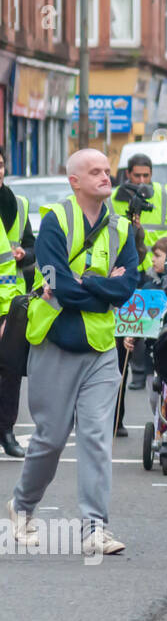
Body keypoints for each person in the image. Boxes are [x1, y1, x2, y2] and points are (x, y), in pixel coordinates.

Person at [7, 149, 137, 556]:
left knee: (98, 436)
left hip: (101, 347)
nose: (105, 177)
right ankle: (22, 507)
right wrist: (101, 289)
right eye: (94, 171)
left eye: (106, 170)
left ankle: (95, 527)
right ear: (74, 181)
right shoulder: (54, 220)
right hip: (55, 341)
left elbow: (128, 284)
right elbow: (56, 283)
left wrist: (87, 286)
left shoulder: (120, 227)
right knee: (50, 438)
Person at [111, 153, 167, 404]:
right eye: (137, 175)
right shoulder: (113, 198)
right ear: (128, 175)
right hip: (126, 269)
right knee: (129, 325)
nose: (142, 179)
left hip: (157, 271)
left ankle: (145, 370)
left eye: (146, 175)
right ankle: (133, 374)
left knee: (152, 321)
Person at [0, 149, 36, 458]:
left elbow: (33, 248)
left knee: (9, 369)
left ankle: (6, 432)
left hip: (9, 302)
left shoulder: (18, 205)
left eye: (0, 165)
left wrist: (25, 254)